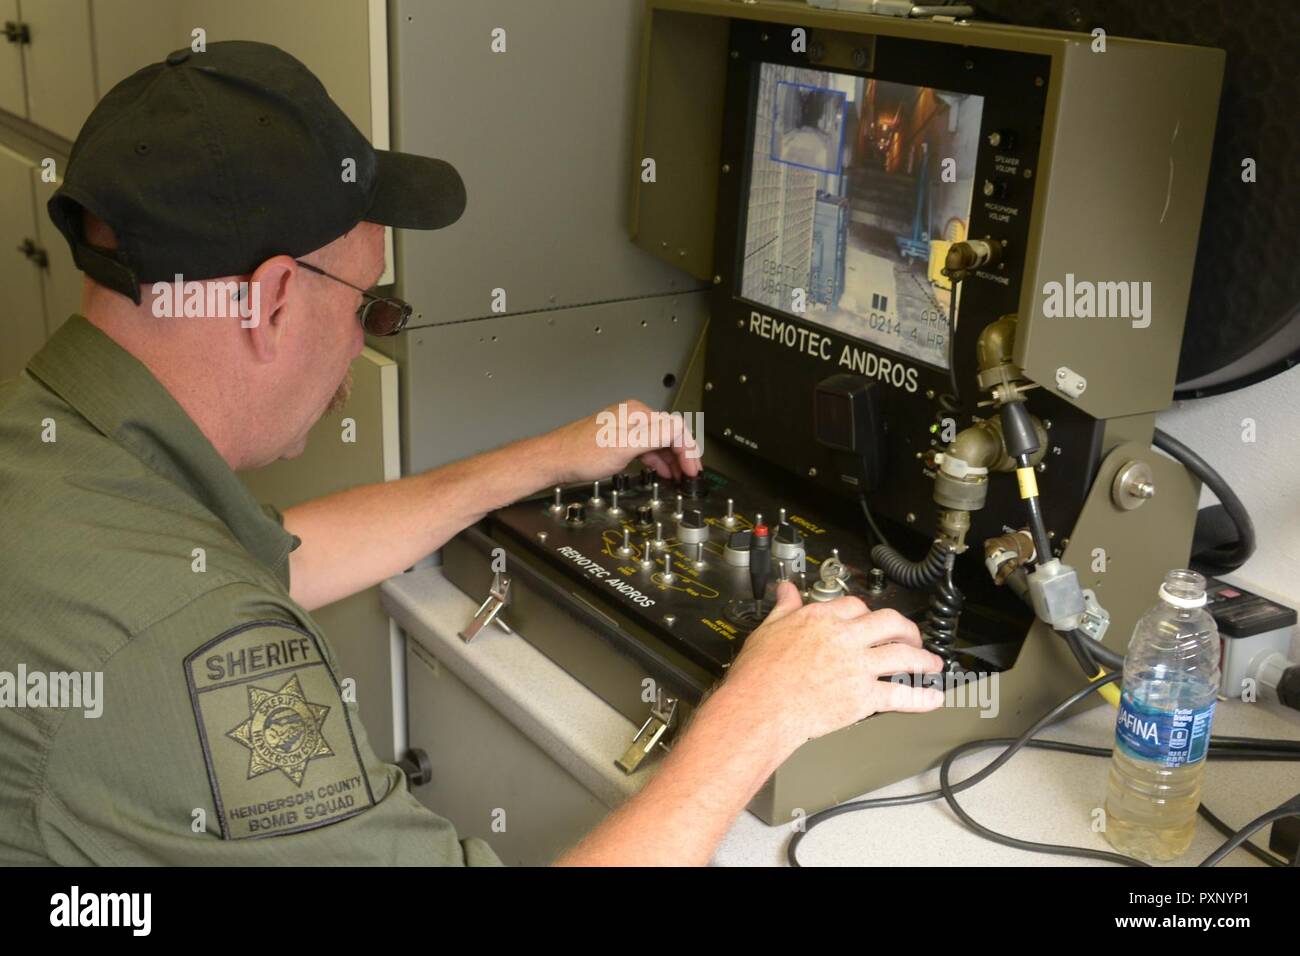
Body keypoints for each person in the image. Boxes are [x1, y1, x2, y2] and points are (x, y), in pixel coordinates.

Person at [0, 41, 943, 866]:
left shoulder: (60, 450)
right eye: (368, 305)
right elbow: (201, 611)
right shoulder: (190, 640)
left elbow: (276, 553)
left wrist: (539, 460)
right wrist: (760, 715)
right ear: (270, 298)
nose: (362, 342)